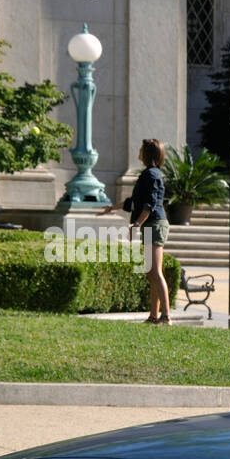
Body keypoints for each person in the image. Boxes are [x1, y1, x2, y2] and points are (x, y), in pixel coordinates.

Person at [100, 138, 170, 323]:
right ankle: (154, 316)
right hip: (150, 224)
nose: (138, 151)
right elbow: (134, 202)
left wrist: (137, 224)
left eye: (141, 149)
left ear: (148, 153)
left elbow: (150, 203)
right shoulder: (148, 174)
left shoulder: (152, 175)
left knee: (155, 271)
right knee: (150, 271)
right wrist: (111, 208)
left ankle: (166, 316)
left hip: (154, 224)